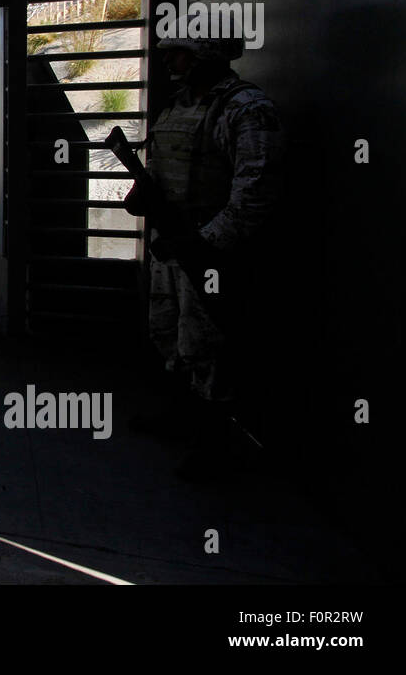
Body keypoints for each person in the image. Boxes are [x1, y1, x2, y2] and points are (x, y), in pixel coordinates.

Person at [125, 30, 283, 479]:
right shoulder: (179, 105)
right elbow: (163, 168)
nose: (170, 62)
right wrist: (143, 194)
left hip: (211, 252)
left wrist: (206, 243)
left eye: (178, 53)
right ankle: (179, 418)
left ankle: (215, 447)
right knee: (167, 333)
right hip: (173, 246)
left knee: (207, 348)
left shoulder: (246, 109)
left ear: (203, 55)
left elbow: (255, 191)